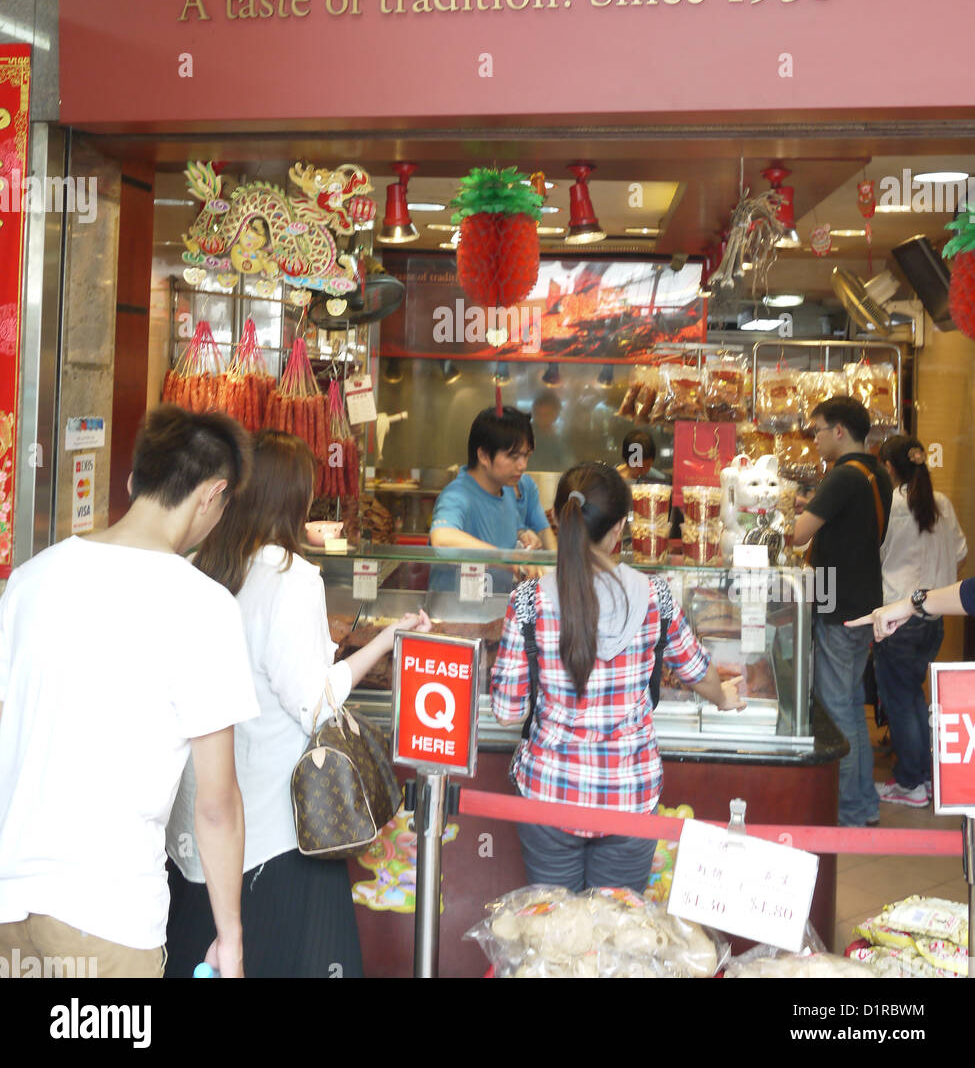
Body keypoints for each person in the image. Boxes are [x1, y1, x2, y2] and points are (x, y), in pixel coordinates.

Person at [0, 405, 258, 978]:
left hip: (10, 904)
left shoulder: (30, 581)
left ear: (134, 481)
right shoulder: (204, 607)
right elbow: (216, 807)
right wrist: (231, 940)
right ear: (213, 495)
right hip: (107, 915)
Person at [165, 430, 430, 978]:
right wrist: (384, 643)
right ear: (293, 497)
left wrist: (367, 642)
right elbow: (316, 704)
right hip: (272, 839)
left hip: (195, 836)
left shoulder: (197, 565)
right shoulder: (290, 578)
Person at [491, 461, 743, 893]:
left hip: (549, 796)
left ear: (558, 519)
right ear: (620, 527)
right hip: (630, 796)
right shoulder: (655, 595)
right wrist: (723, 698)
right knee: (618, 926)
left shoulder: (528, 601)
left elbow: (508, 712)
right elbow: (697, 671)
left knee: (554, 927)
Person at [793, 396, 893, 827]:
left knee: (837, 708)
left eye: (817, 430)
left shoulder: (842, 476)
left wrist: (787, 515)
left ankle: (849, 809)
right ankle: (864, 803)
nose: (814, 439)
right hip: (864, 599)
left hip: (837, 602)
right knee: (851, 705)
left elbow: (798, 535)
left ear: (839, 431)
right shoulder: (876, 473)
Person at [867, 436, 966, 807]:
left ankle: (911, 783)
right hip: (933, 619)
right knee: (912, 696)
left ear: (889, 467)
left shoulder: (889, 504)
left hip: (898, 617)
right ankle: (924, 777)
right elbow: (960, 554)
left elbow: (871, 556)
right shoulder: (942, 503)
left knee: (901, 700)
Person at [429, 406, 556, 585]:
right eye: (513, 457)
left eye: (526, 456)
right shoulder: (457, 496)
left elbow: (506, 527)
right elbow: (442, 540)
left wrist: (523, 534)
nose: (522, 465)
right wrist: (508, 558)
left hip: (496, 601)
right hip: (454, 603)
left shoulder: (507, 489)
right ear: (483, 455)